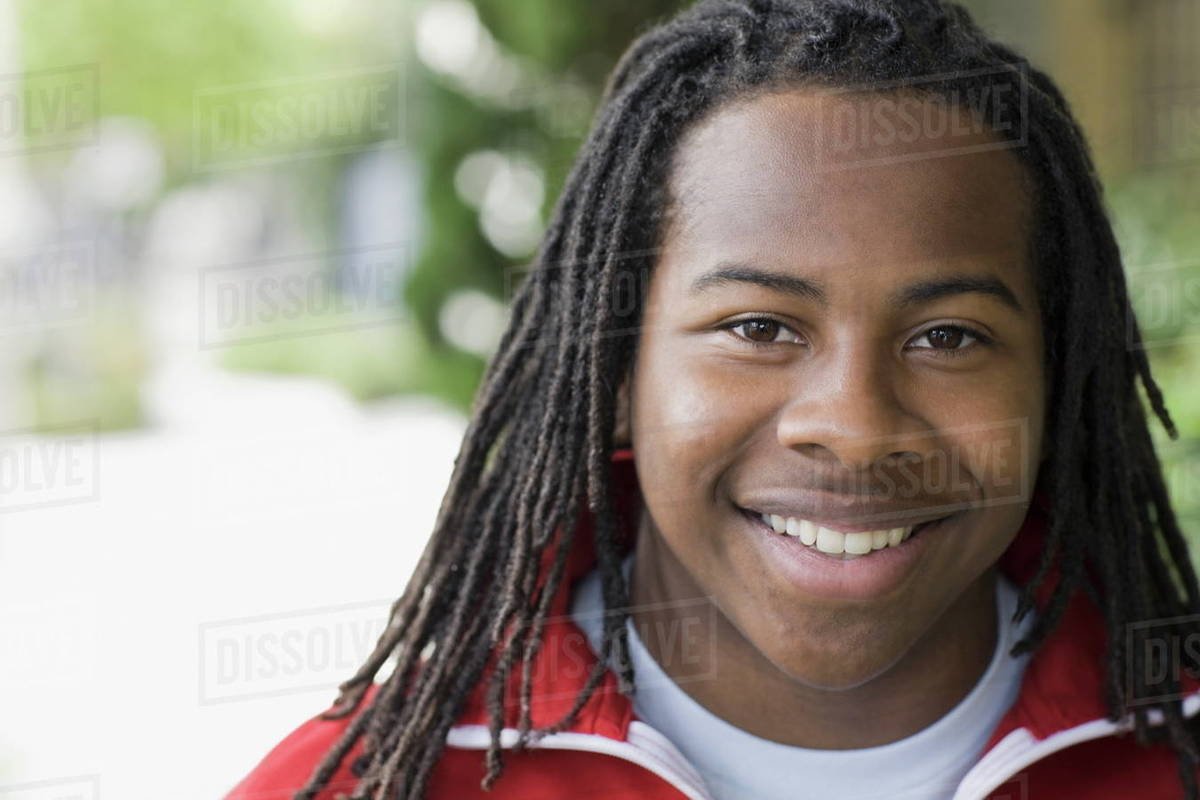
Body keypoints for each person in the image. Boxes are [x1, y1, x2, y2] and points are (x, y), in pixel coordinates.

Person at [222, 1, 1200, 798]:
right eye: (759, 327)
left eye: (948, 337)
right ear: (613, 367)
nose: (854, 427)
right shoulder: (367, 781)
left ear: (1055, 381)